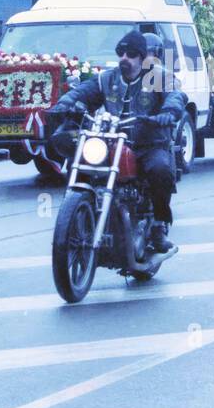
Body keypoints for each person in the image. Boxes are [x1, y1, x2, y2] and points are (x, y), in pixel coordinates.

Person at [49, 30, 187, 253]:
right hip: (110, 141)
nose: (124, 57)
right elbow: (83, 92)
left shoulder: (159, 77)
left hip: (147, 143)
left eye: (131, 53)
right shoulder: (107, 78)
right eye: (121, 52)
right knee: (81, 162)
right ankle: (74, 218)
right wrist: (65, 103)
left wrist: (168, 113)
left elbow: (176, 95)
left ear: (143, 57)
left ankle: (159, 226)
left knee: (160, 169)